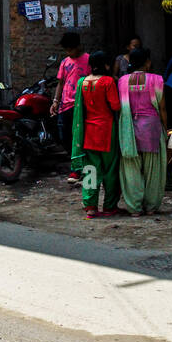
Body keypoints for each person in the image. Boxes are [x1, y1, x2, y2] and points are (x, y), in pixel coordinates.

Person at [71, 51, 121, 219]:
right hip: (107, 131)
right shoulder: (108, 81)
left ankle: (90, 207)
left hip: (88, 132)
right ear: (106, 65)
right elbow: (115, 106)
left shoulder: (81, 83)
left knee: (90, 170)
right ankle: (109, 206)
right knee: (110, 170)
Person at [117, 48, 167, 216]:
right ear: (148, 62)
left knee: (131, 170)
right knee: (153, 170)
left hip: (129, 130)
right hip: (152, 129)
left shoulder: (122, 81)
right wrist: (166, 129)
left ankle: (135, 208)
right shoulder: (157, 80)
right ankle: (151, 207)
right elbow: (163, 108)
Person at [52, 31, 90, 186]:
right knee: (64, 136)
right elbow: (60, 83)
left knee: (80, 138)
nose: (68, 53)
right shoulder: (65, 62)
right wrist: (55, 101)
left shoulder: (88, 60)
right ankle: (76, 165)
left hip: (81, 106)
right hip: (64, 106)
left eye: (70, 49)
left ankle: (79, 169)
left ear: (78, 46)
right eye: (66, 50)